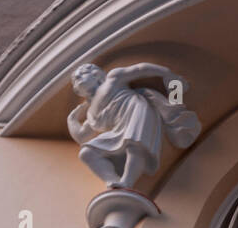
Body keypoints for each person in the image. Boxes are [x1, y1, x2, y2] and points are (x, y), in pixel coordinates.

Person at [67, 62, 200, 188]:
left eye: (80, 75)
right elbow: (82, 137)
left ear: (95, 74)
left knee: (134, 143)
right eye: (74, 81)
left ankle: (127, 181)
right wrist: (71, 120)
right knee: (87, 153)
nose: (76, 81)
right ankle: (113, 181)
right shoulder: (91, 112)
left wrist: (168, 74)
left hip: (135, 109)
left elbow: (140, 69)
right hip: (117, 128)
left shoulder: (113, 78)